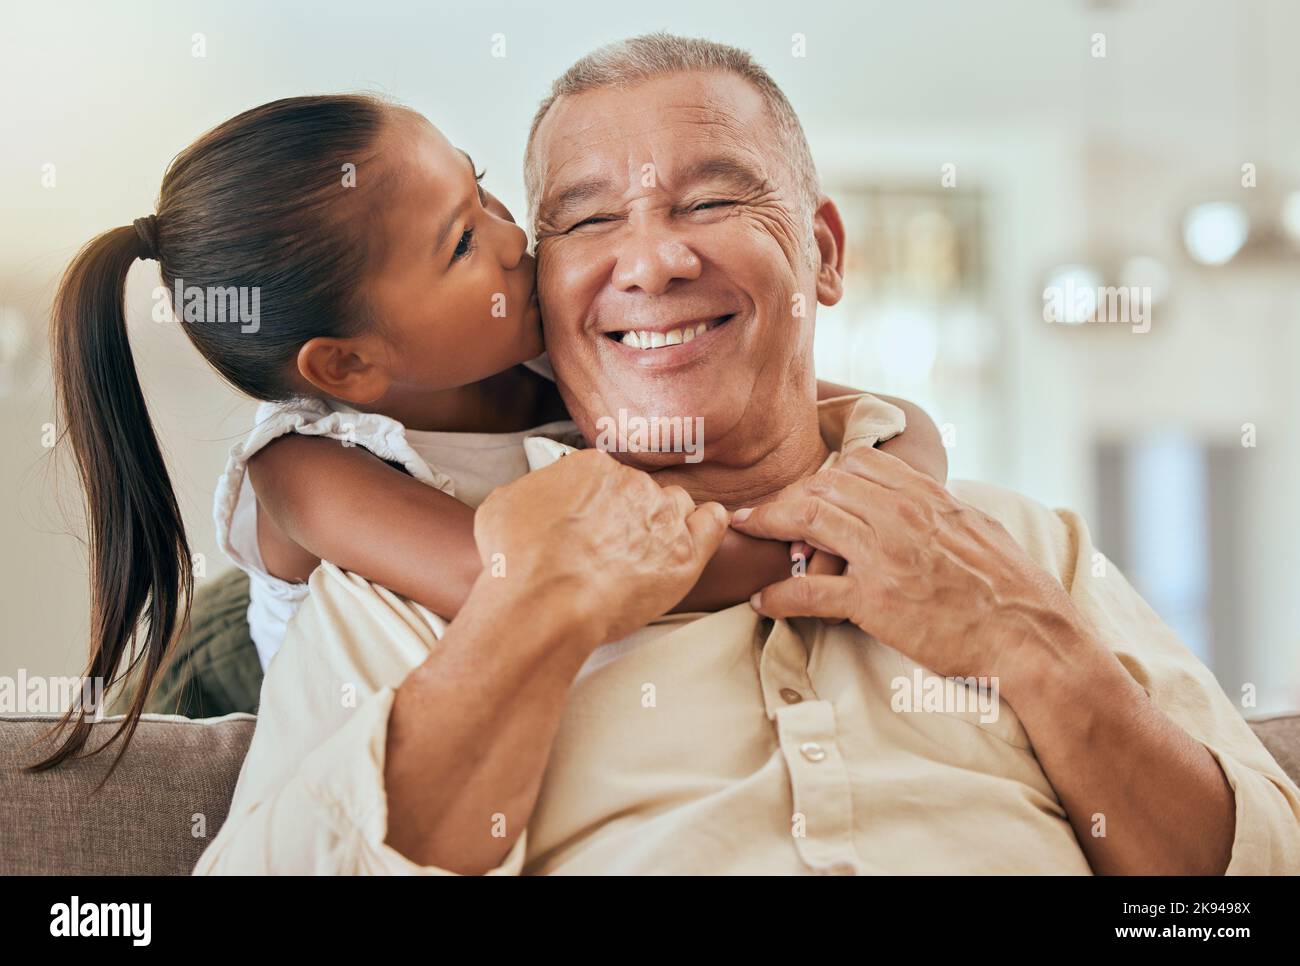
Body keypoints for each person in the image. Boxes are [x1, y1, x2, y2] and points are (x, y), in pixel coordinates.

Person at [195, 35, 1300, 875]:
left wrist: (1031, 650)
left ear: (819, 252)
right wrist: (536, 612)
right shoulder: (405, 578)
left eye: (713, 199)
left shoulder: (1019, 547)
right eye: (583, 223)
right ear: (544, 293)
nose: (653, 258)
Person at [42, 93, 943, 769]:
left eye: (479, 190)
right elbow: (532, 580)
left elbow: (863, 414)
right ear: (349, 368)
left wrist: (911, 477)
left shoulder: (554, 335)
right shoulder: (308, 469)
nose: (513, 237)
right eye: (461, 245)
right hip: (231, 654)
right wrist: (807, 554)